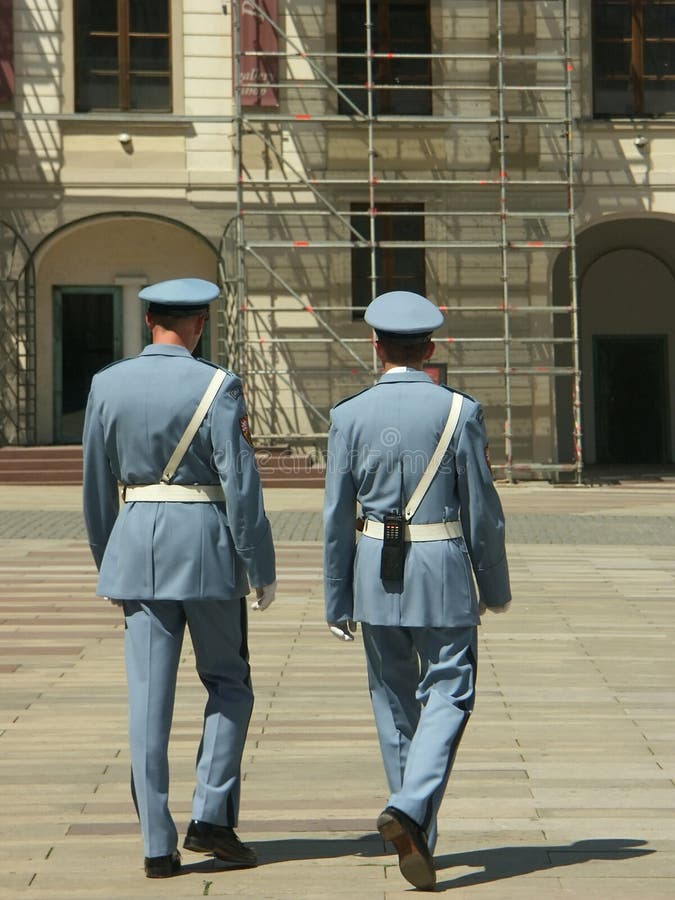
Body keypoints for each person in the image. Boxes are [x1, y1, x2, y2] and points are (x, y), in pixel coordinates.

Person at [82, 278, 276, 878]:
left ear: (149, 321)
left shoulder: (106, 384)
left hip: (137, 549)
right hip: (207, 551)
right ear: (199, 325)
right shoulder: (219, 384)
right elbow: (240, 484)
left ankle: (155, 846)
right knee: (229, 682)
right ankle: (211, 816)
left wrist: (109, 558)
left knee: (148, 700)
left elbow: (95, 484)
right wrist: (259, 563)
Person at [323, 290, 511, 890]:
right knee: (451, 688)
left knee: (393, 700)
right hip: (440, 567)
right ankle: (408, 809)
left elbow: (334, 516)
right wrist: (494, 585)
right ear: (431, 349)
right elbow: (482, 510)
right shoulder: (459, 411)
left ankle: (415, 830)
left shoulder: (349, 415)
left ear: (375, 347)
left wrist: (337, 597)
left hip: (373, 568)